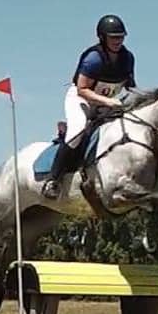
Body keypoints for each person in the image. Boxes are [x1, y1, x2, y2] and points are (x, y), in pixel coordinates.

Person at [42, 14, 136, 199]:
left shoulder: (127, 58)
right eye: (113, 37)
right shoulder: (94, 59)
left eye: (121, 37)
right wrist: (108, 102)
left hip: (105, 103)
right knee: (78, 130)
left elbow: (131, 87)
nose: (118, 40)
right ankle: (53, 179)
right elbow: (82, 89)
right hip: (81, 99)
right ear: (102, 37)